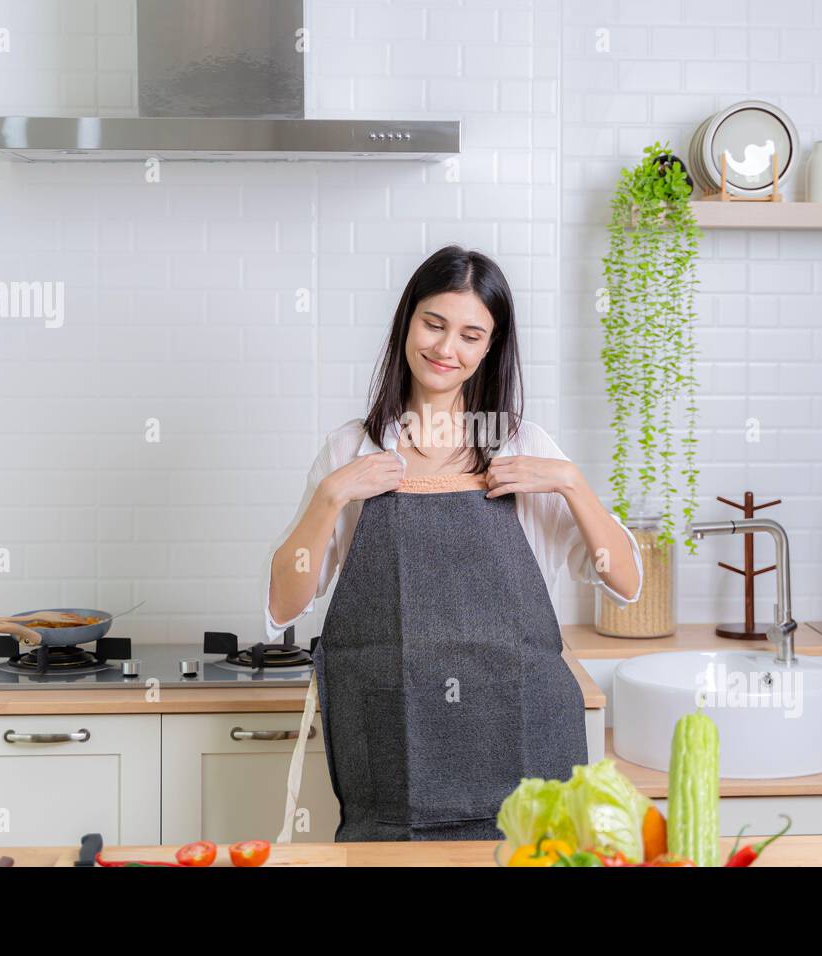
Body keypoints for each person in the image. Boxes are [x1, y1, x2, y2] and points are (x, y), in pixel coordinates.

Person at [263, 245, 644, 841]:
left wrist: (570, 483)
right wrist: (330, 497)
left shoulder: (525, 445)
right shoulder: (351, 451)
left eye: (470, 334)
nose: (446, 349)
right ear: (407, 322)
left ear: (489, 347)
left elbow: (625, 582)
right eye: (434, 324)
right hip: (393, 746)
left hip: (523, 740)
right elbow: (285, 603)